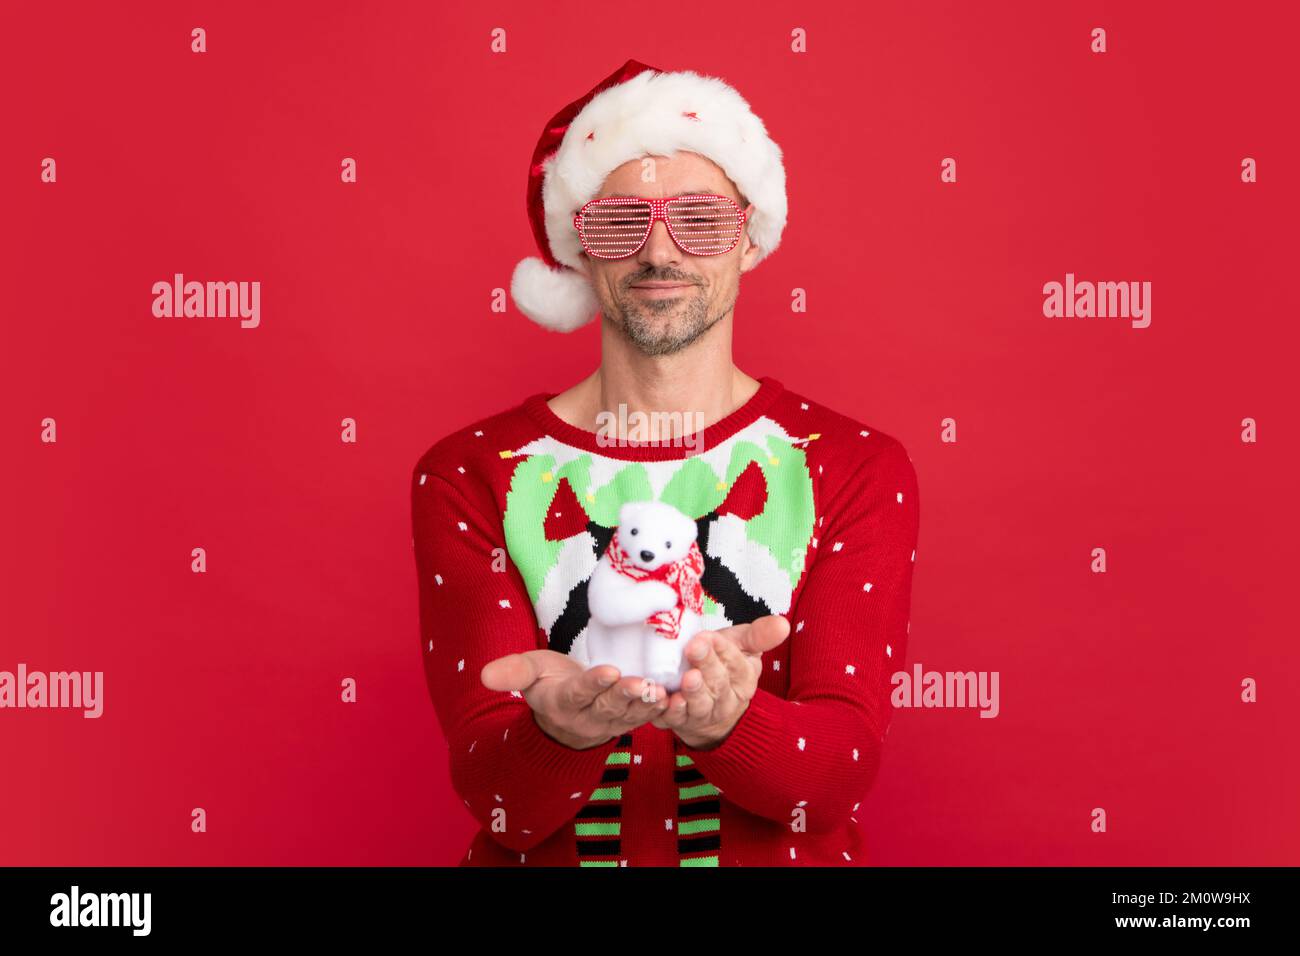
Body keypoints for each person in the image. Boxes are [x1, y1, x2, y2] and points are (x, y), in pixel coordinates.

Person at [411, 59, 919, 866]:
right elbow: (496, 800)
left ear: (750, 240)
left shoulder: (853, 467)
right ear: (581, 247)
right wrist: (558, 733)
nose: (658, 252)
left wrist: (728, 722)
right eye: (620, 221)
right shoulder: (472, 472)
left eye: (701, 220)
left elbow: (833, 781)